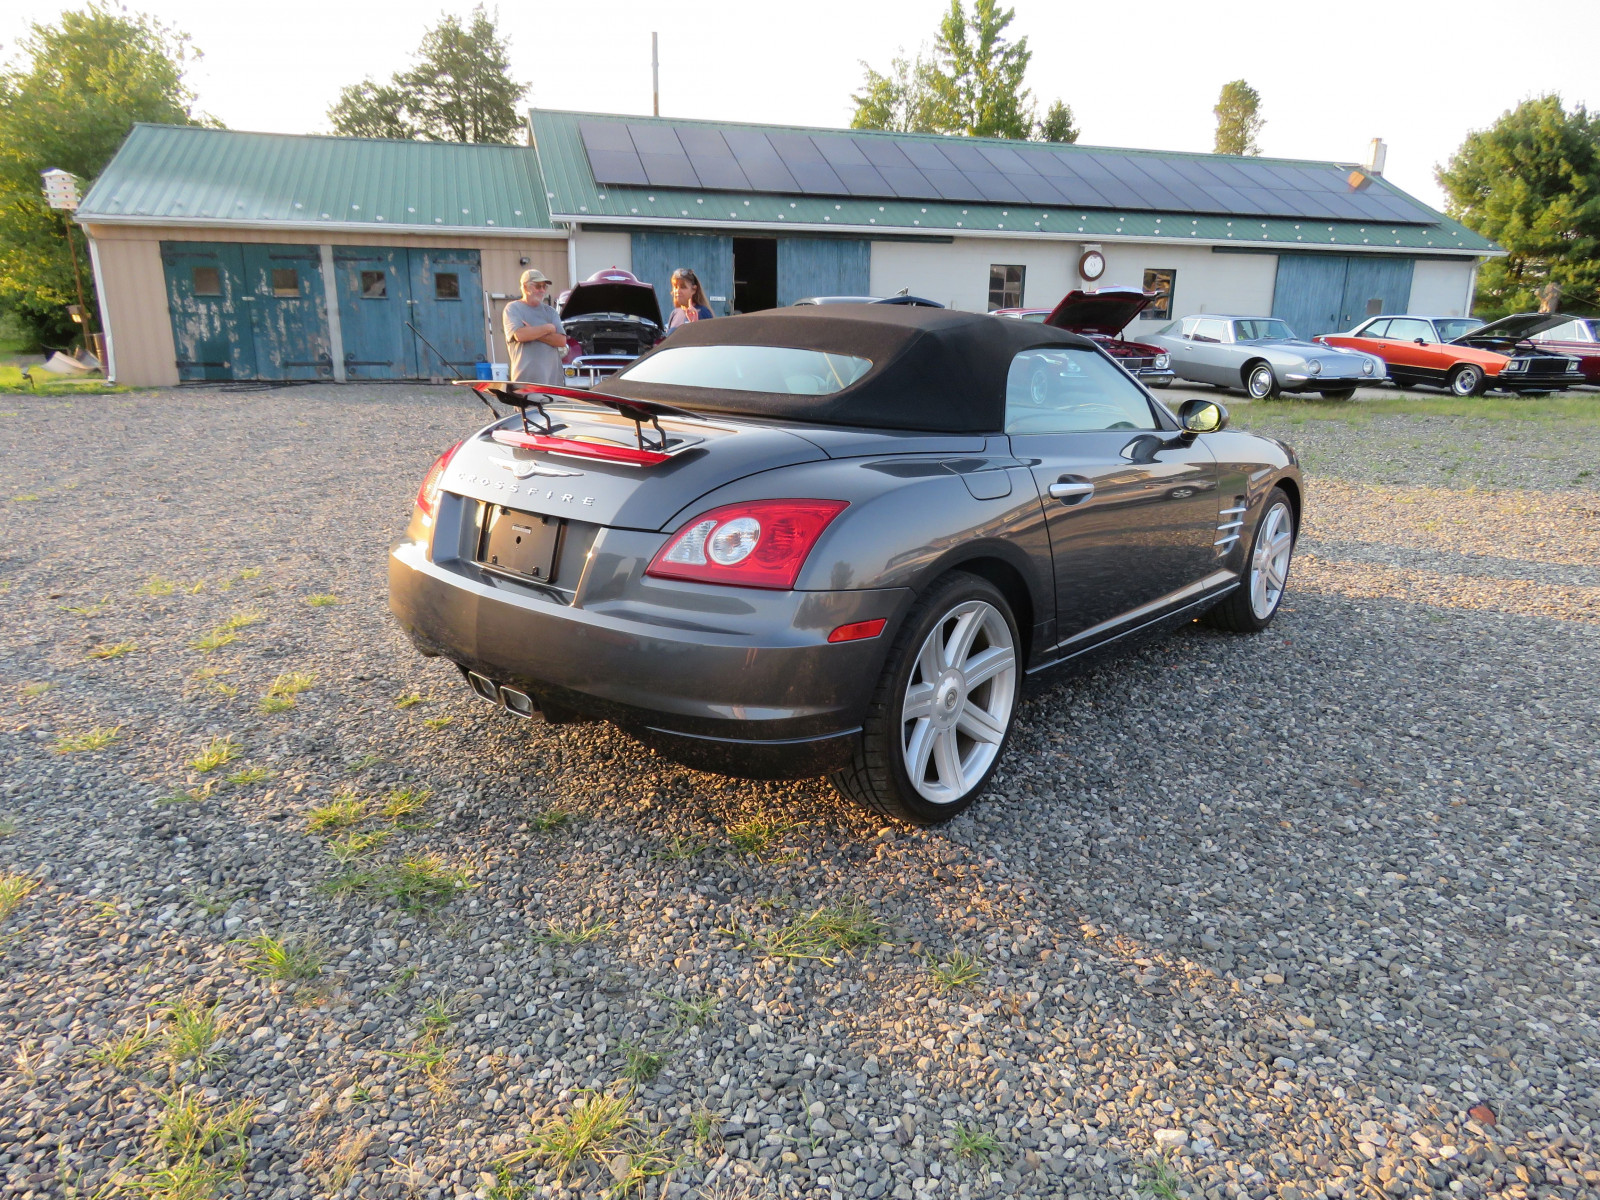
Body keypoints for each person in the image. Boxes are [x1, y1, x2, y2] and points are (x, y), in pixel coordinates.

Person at [503, 269, 566, 384]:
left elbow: (561, 341)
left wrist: (532, 331)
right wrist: (547, 328)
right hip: (524, 382)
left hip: (552, 383)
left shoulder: (550, 312)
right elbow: (519, 335)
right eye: (538, 286)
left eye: (544, 287)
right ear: (525, 287)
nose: (542, 290)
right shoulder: (512, 308)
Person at [664, 267, 714, 333]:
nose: (677, 291)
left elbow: (710, 340)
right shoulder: (675, 313)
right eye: (675, 286)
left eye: (683, 287)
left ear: (694, 290)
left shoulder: (703, 312)